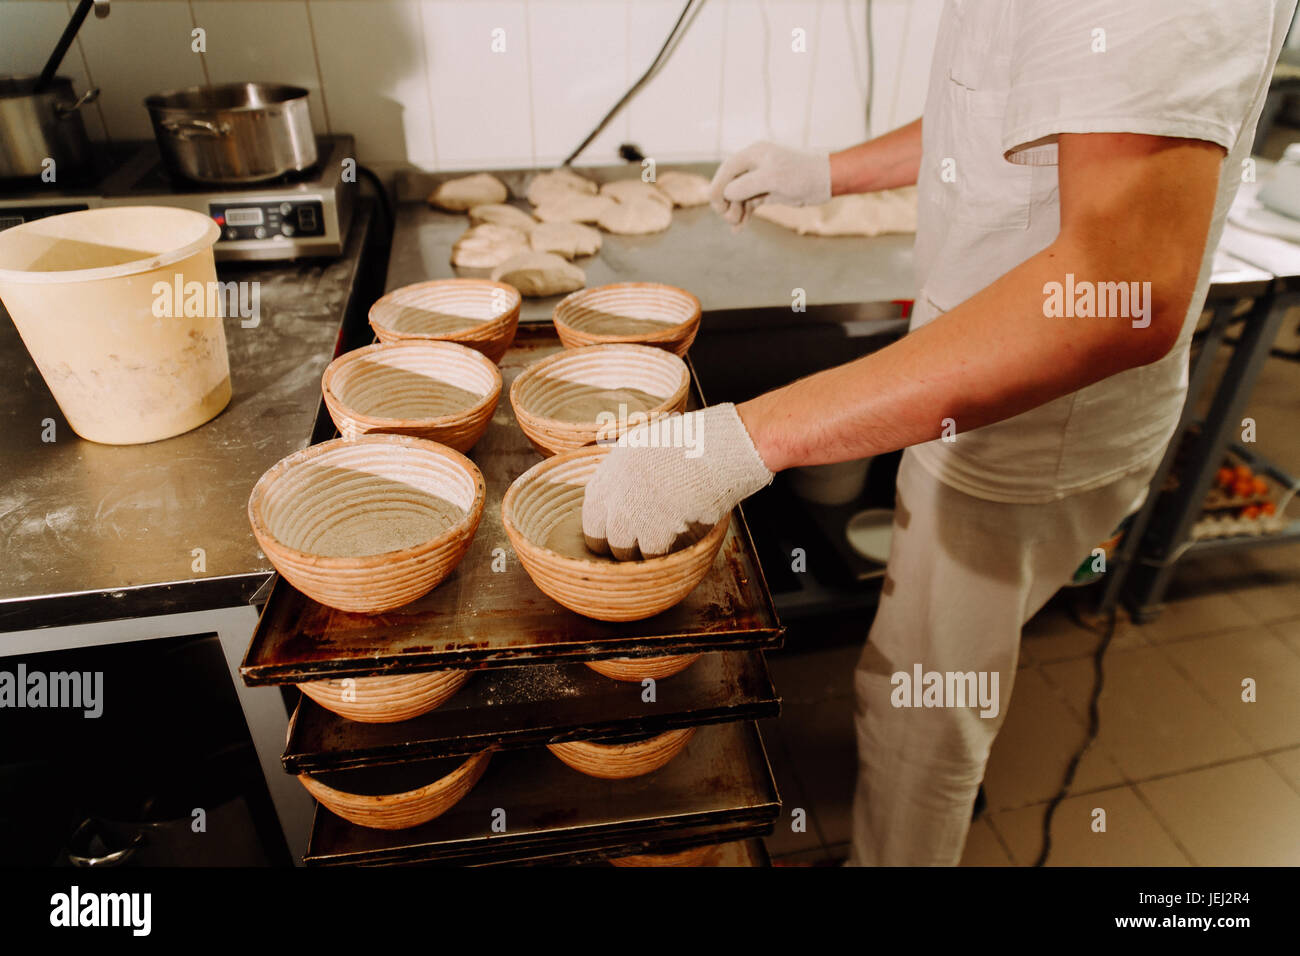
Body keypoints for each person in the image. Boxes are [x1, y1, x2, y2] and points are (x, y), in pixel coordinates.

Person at [581, 0, 1298, 865]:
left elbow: (1128, 291)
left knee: (923, 713)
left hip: (1032, 434)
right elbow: (1011, 108)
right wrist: (828, 172)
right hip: (979, 396)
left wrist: (745, 439)